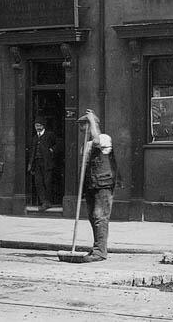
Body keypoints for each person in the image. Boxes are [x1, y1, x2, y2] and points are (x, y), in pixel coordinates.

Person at [76, 109, 119, 262]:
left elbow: (97, 142)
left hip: (103, 184)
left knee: (100, 217)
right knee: (92, 217)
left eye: (84, 126)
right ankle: (97, 247)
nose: (82, 130)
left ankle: (100, 251)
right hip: (91, 185)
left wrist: (92, 120)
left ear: (92, 125)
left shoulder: (104, 138)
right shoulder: (86, 144)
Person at [26, 116, 58, 211]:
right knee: (38, 183)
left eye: (39, 125)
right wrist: (30, 164)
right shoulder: (34, 138)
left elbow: (59, 143)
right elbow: (32, 151)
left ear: (43, 126)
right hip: (36, 163)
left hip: (47, 163)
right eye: (36, 125)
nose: (38, 127)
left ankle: (48, 202)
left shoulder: (50, 135)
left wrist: (52, 150)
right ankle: (44, 202)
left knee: (47, 182)